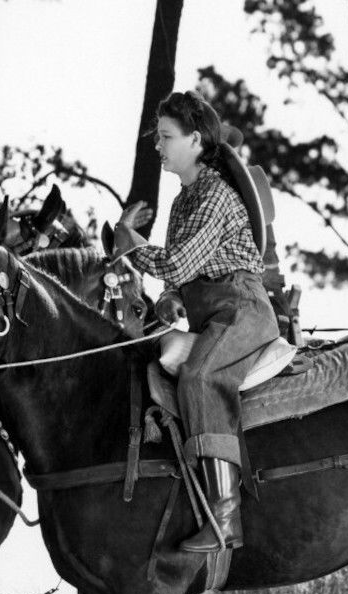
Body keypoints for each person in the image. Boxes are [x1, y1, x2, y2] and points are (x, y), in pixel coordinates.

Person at [112, 92, 279, 553]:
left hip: (241, 310)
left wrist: (128, 243)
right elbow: (182, 278)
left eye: (166, 137)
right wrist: (169, 301)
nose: (159, 146)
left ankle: (225, 518)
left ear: (196, 139)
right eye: (158, 137)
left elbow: (179, 262)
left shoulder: (213, 194)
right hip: (212, 312)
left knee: (202, 376)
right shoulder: (186, 199)